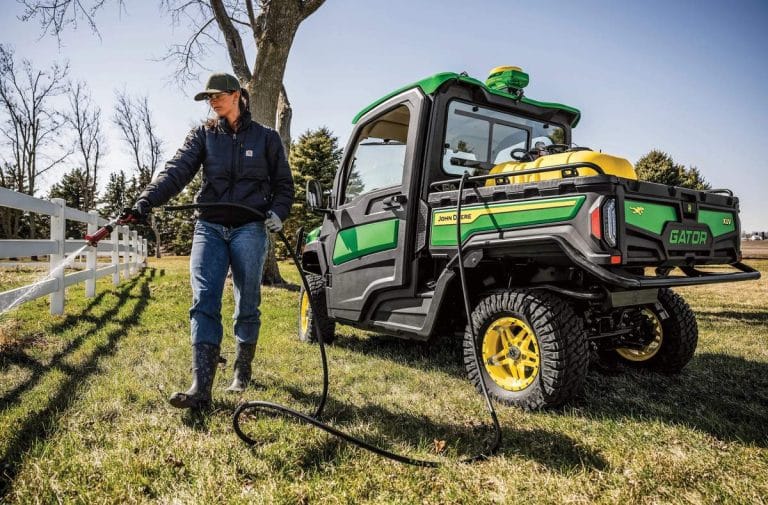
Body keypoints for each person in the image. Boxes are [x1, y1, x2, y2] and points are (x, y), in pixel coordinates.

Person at [124, 72, 294, 409]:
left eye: (217, 95)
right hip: (210, 227)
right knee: (204, 300)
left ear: (236, 95)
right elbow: (176, 171)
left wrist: (278, 212)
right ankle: (201, 388)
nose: (212, 102)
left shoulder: (266, 138)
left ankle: (242, 370)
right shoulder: (203, 135)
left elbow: (284, 185)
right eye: (208, 98)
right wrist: (146, 200)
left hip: (249, 227)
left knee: (247, 301)